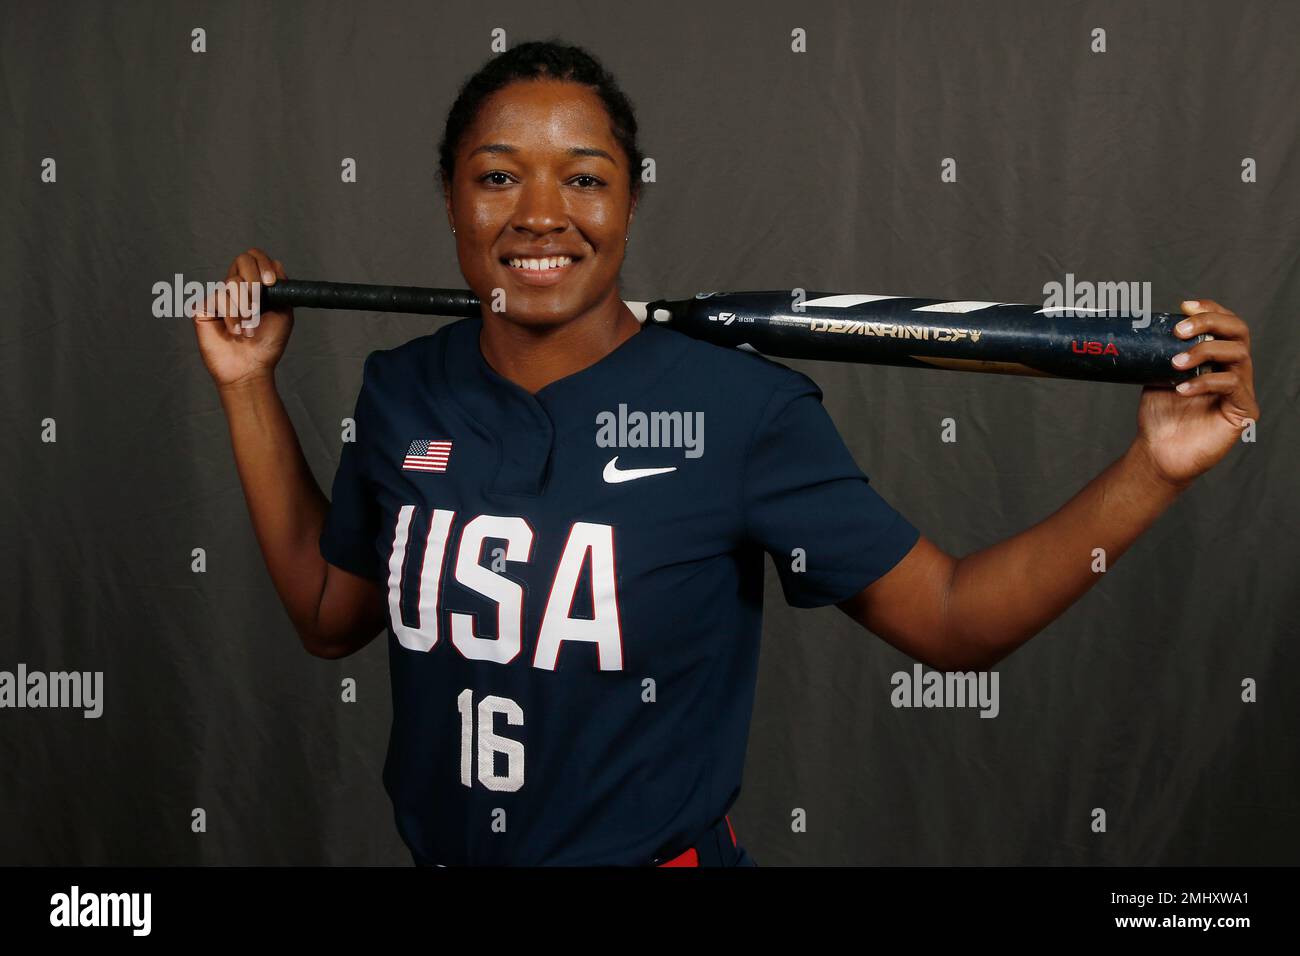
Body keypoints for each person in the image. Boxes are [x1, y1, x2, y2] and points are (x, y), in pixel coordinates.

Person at [192, 40, 1260, 867]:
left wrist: (1149, 472)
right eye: (497, 176)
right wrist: (248, 388)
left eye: (586, 178)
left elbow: (948, 621)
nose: (541, 215)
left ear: (631, 198)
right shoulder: (402, 386)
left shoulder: (736, 410)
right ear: (449, 194)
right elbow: (330, 617)